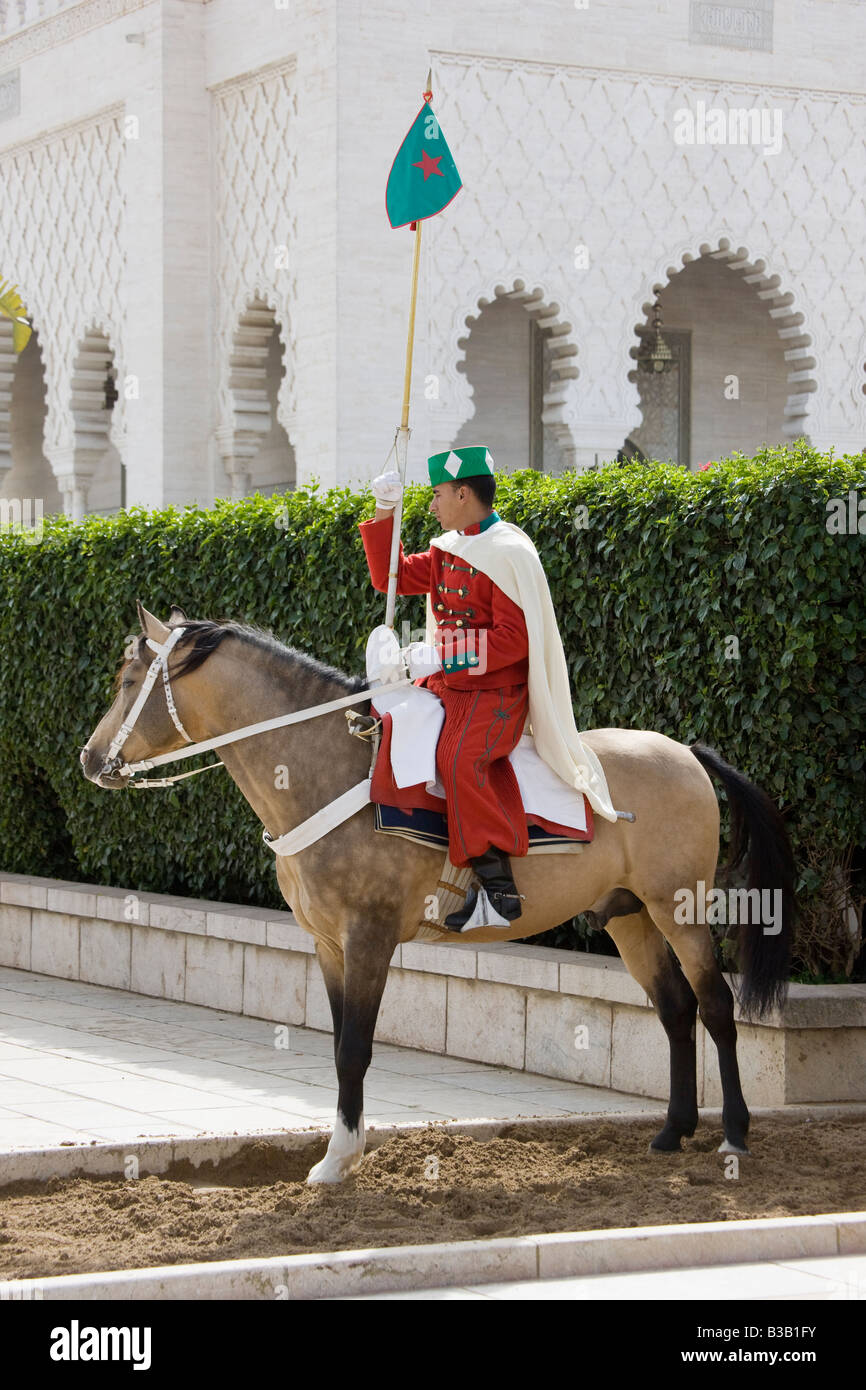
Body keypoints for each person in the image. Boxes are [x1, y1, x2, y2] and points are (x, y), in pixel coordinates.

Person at [358, 445, 618, 931]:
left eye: (436, 495)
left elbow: (514, 641)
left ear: (462, 493)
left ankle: (500, 895)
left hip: (497, 693)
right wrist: (384, 510)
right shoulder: (448, 548)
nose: (432, 506)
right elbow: (386, 577)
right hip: (450, 684)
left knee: (458, 759)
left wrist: (443, 652)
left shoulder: (508, 551)